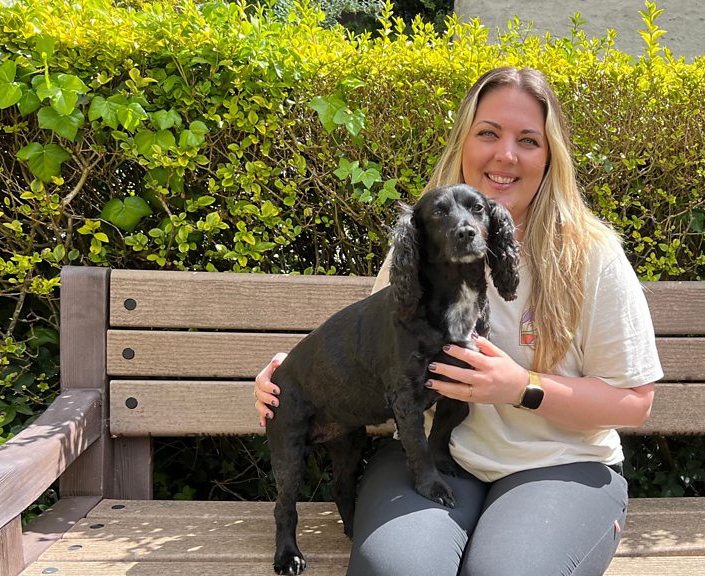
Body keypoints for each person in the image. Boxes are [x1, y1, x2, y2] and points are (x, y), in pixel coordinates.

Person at [254, 66, 662, 576]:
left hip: (561, 464)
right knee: (395, 571)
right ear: (464, 143)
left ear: (550, 155)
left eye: (528, 140)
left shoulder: (591, 255)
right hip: (432, 453)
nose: (505, 154)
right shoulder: (421, 245)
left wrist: (521, 387)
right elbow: (372, 353)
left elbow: (635, 403)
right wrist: (292, 377)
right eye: (488, 133)